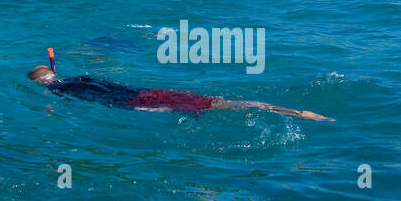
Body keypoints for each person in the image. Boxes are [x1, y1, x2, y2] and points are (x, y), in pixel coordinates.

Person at [28, 65, 333, 121]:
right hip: (147, 92)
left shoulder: (58, 89)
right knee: (218, 104)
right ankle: (285, 110)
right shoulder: (77, 77)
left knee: (217, 107)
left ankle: (291, 113)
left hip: (136, 102)